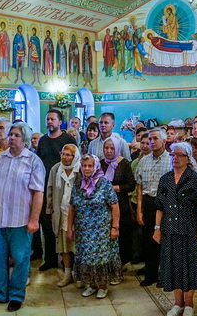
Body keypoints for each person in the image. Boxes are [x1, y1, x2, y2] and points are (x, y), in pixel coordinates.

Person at [0, 122, 46, 312]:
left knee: (20, 258)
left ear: (25, 139)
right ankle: (0, 293)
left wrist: (34, 219)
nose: (12, 138)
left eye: (16, 135)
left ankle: (17, 295)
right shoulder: (0, 159)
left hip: (21, 220)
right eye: (11, 135)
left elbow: (38, 192)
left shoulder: (33, 161)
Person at [154, 142, 197, 316]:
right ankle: (178, 302)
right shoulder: (165, 179)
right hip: (169, 229)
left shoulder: (196, 180)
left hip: (189, 230)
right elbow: (159, 207)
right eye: (173, 154)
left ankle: (189, 303)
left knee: (189, 267)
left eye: (179, 155)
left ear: (188, 158)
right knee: (172, 266)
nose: (175, 158)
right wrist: (157, 228)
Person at [69, 154, 122, 299]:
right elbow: (72, 207)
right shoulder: (78, 184)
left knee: (100, 259)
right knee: (86, 258)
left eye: (90, 166)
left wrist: (115, 227)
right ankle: (91, 285)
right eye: (84, 165)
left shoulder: (104, 184)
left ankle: (102, 286)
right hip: (83, 231)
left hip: (101, 230)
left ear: (96, 166)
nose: (86, 168)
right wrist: (70, 228)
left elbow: (115, 206)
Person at [34, 109, 77, 270]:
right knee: (48, 223)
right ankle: (50, 259)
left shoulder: (68, 139)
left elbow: (76, 160)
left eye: (53, 119)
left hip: (66, 187)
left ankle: (69, 260)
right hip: (46, 186)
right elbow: (38, 162)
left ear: (60, 122)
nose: (49, 122)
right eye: (48, 119)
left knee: (68, 224)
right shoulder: (43, 141)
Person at [136, 127, 172, 287]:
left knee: (165, 240)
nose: (152, 141)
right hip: (149, 202)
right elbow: (139, 187)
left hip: (166, 204)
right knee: (149, 241)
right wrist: (139, 210)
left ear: (164, 141)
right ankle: (150, 274)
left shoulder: (171, 159)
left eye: (155, 138)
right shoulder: (144, 160)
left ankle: (164, 275)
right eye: (150, 139)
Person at [100, 137, 136, 271]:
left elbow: (131, 185)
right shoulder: (100, 163)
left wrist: (114, 188)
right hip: (104, 205)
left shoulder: (124, 163)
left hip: (120, 203)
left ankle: (121, 263)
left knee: (121, 234)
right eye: (106, 148)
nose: (108, 151)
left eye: (112, 148)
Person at [48, 144, 80, 287]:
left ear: (75, 157)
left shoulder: (81, 170)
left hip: (78, 215)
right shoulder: (56, 169)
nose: (65, 157)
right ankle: (67, 275)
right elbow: (50, 190)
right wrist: (50, 211)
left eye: (69, 155)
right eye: (63, 154)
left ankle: (78, 276)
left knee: (78, 247)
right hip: (61, 213)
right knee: (64, 247)